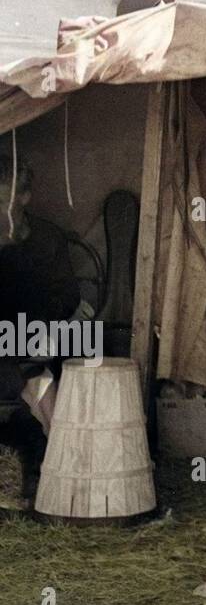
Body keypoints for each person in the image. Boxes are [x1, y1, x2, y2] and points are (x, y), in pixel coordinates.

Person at [0, 155, 82, 506]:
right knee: (28, 368)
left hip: (36, 332)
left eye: (3, 194)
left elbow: (66, 295)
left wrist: (39, 325)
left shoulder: (48, 238)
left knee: (35, 358)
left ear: (24, 197)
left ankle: (50, 466)